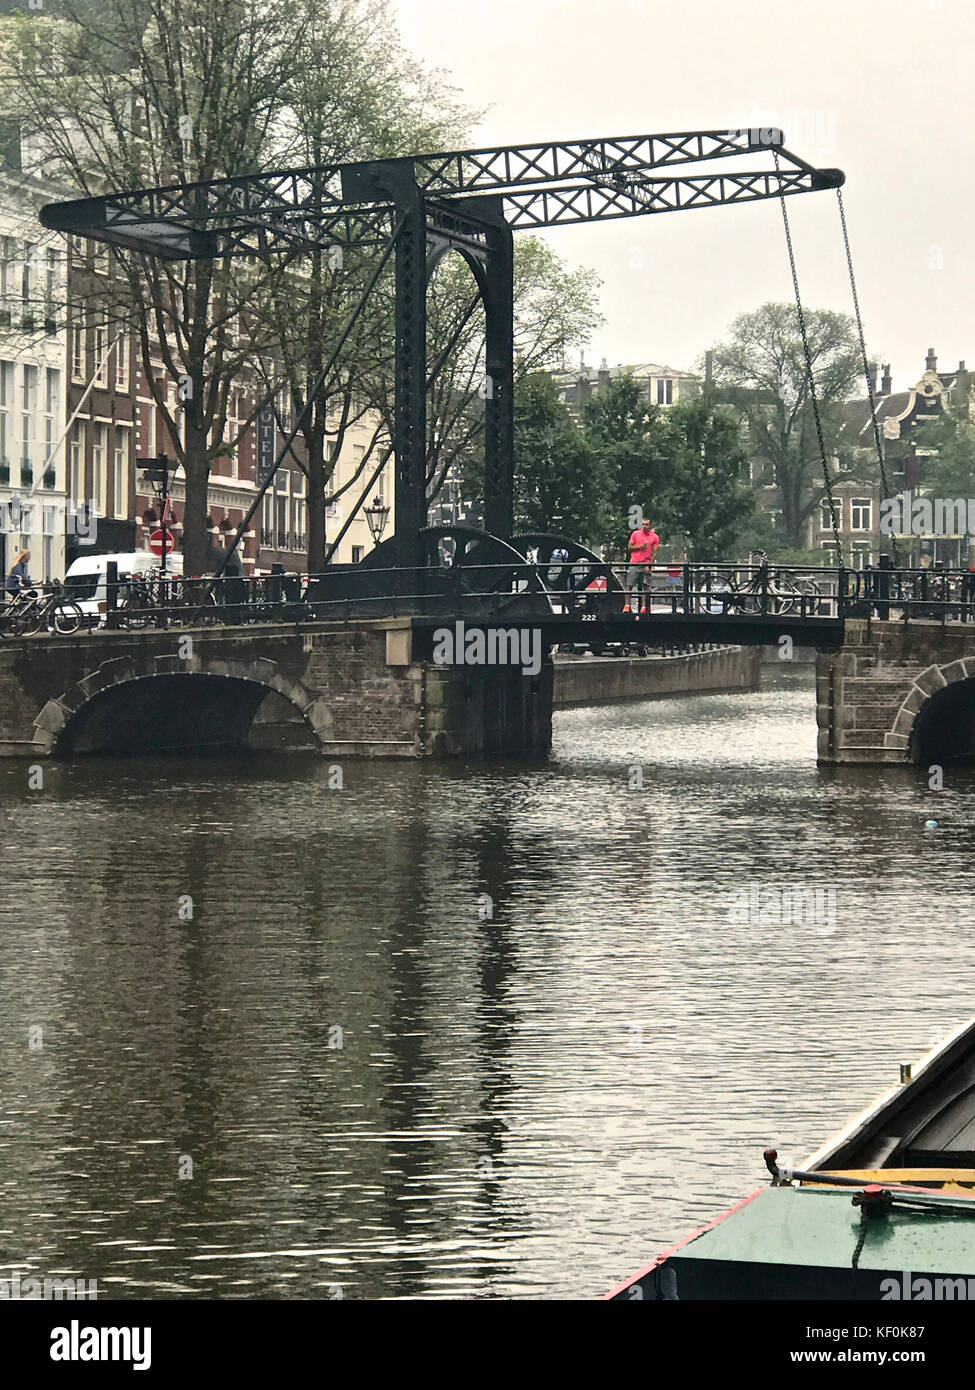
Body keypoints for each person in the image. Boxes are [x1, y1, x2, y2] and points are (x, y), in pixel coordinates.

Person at [623, 517, 659, 613]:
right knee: (629, 584)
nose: (644, 526)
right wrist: (639, 546)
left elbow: (655, 552)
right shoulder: (635, 534)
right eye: (643, 524)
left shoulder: (654, 537)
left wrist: (650, 565)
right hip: (635, 562)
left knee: (645, 585)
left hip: (646, 563)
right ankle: (627, 605)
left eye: (646, 524)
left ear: (650, 525)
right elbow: (629, 548)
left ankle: (643, 606)